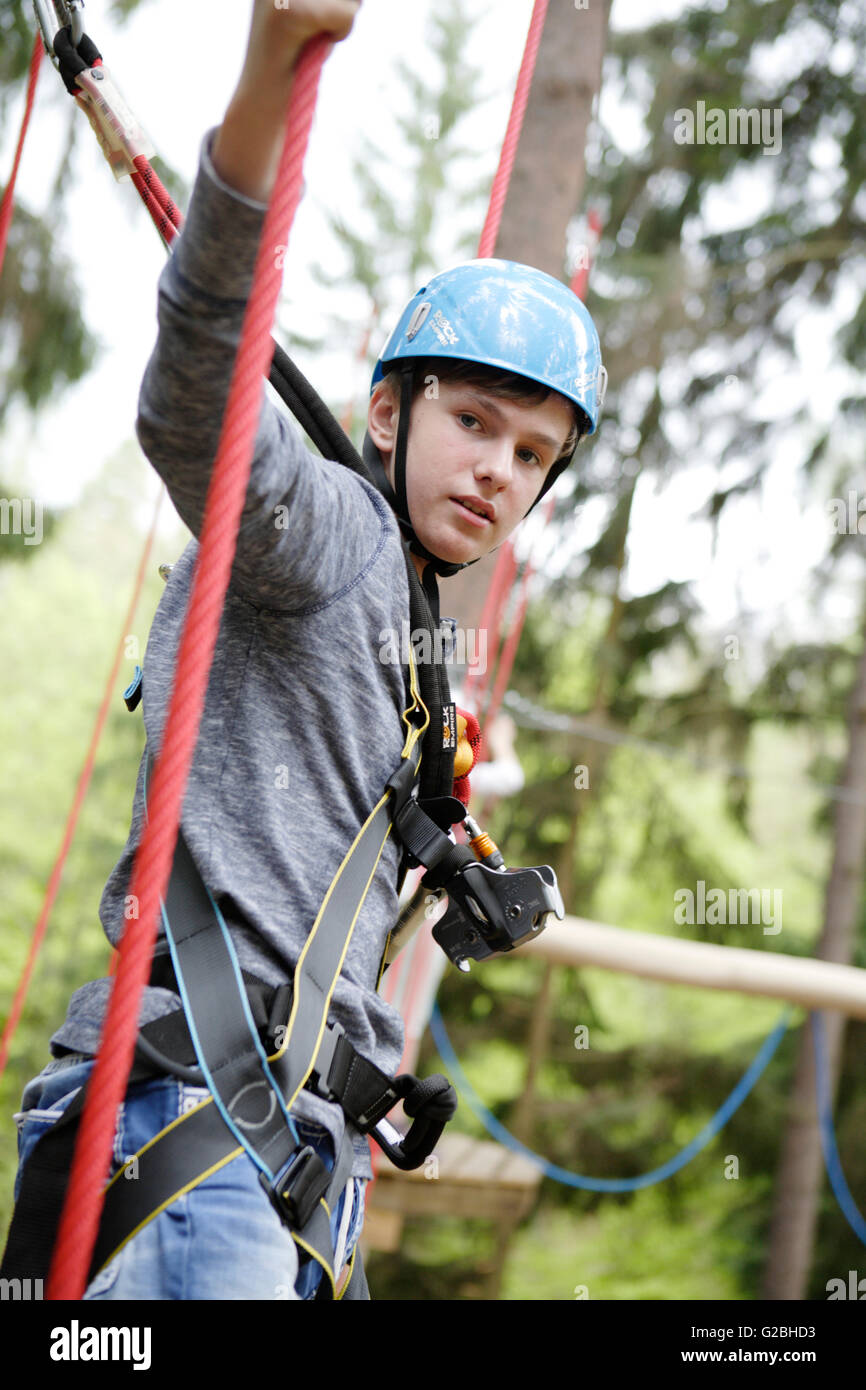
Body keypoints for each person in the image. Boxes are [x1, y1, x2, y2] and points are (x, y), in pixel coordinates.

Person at [3, 0, 604, 1301]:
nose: (497, 471)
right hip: (188, 1120)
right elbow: (197, 388)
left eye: (531, 454)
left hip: (292, 1165)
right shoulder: (329, 528)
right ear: (385, 412)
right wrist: (271, 69)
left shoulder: (412, 638)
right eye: (474, 422)